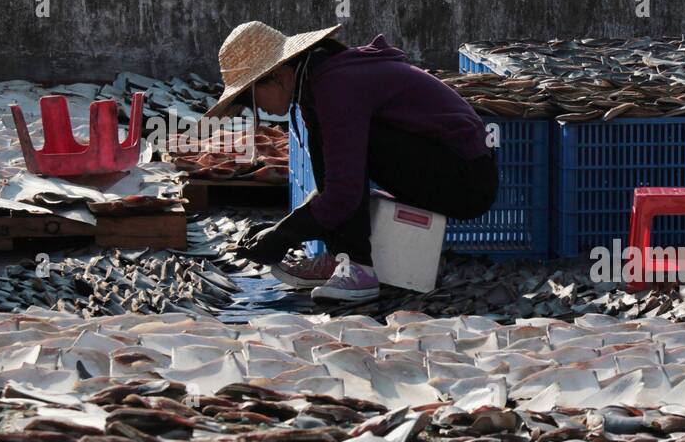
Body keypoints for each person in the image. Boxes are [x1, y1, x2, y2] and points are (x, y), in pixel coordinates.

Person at [203, 21, 497, 300]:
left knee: (348, 152)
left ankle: (357, 267)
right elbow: (333, 179)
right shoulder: (317, 82)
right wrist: (284, 227)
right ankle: (343, 259)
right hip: (442, 166)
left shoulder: (336, 84)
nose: (252, 110)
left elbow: (344, 192)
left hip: (467, 179)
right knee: (334, 144)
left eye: (248, 100)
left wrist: (283, 235)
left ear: (277, 76)